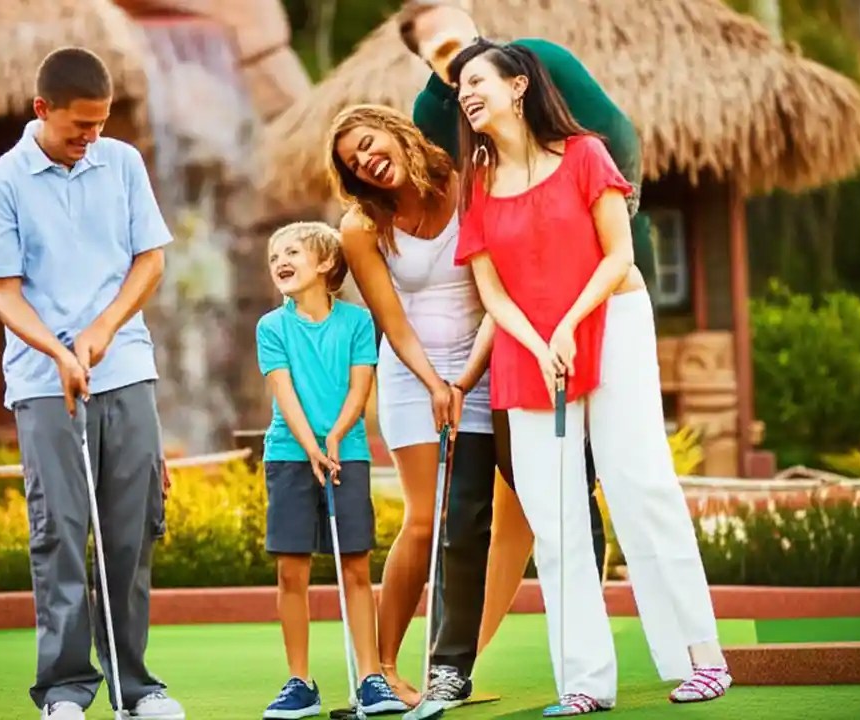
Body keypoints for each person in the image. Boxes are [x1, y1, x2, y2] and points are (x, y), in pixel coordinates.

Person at [448, 39, 732, 715]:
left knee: (642, 487)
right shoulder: (476, 184)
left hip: (610, 322)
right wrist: (537, 341)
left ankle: (701, 658)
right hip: (527, 349)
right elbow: (491, 292)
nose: (465, 93)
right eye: (460, 87)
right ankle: (584, 681)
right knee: (555, 517)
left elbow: (618, 254)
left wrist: (569, 325)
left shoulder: (584, 155)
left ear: (518, 85)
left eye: (477, 80)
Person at [396, 0, 653, 649]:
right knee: (536, 480)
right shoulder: (434, 116)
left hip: (597, 293)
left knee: (611, 469)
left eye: (460, 39)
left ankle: (631, 629)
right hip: (510, 322)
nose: (457, 59)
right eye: (440, 54)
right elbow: (465, 215)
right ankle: (515, 648)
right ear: (425, 61)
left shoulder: (543, 64)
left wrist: (588, 246)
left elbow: (616, 143)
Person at [0, 48, 185, 720]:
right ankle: (64, 689)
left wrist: (101, 330)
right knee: (59, 533)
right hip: (43, 383)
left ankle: (136, 688)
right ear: (42, 110)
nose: (91, 136)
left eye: (100, 123)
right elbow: (4, 294)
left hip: (127, 369)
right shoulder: (0, 183)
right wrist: (59, 353)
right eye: (79, 126)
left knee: (132, 532)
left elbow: (150, 262)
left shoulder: (122, 163)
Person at [326, 104, 504, 709]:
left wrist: (463, 380)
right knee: (425, 520)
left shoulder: (468, 182)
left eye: (369, 144)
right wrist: (433, 383)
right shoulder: (361, 226)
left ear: (396, 132)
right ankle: (381, 669)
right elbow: (392, 321)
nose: (367, 161)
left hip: (479, 367)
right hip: (412, 377)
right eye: (354, 163)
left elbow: (498, 288)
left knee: (466, 521)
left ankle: (450, 665)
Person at [254, 221, 410, 720]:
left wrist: (336, 436)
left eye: (292, 251)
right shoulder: (270, 327)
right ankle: (300, 683)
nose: (280, 261)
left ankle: (370, 678)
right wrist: (311, 447)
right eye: (274, 255)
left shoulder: (358, 322)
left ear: (325, 263)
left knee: (356, 567)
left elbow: (360, 388)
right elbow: (284, 394)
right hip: (289, 454)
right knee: (291, 570)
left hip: (347, 453)